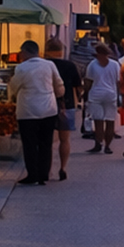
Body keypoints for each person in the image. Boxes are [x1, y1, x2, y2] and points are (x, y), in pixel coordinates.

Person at [8, 39, 64, 186]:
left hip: (28, 111)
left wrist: (11, 97)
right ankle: (44, 173)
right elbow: (59, 84)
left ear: (25, 52)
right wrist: (58, 96)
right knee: (46, 143)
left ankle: (32, 174)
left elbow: (14, 87)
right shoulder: (49, 65)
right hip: (48, 109)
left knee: (30, 144)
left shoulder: (21, 68)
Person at [44, 38, 82, 180]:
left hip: (47, 103)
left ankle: (47, 170)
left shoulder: (44, 65)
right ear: (61, 51)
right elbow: (77, 86)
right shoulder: (70, 66)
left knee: (47, 140)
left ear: (46, 50)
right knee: (64, 139)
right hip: (67, 104)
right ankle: (63, 167)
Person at [83, 42, 122, 154]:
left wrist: (85, 94)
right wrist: (119, 95)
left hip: (95, 95)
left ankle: (98, 144)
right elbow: (118, 82)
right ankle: (108, 146)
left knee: (98, 121)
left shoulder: (92, 65)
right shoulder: (115, 65)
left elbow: (88, 82)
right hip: (111, 95)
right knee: (110, 121)